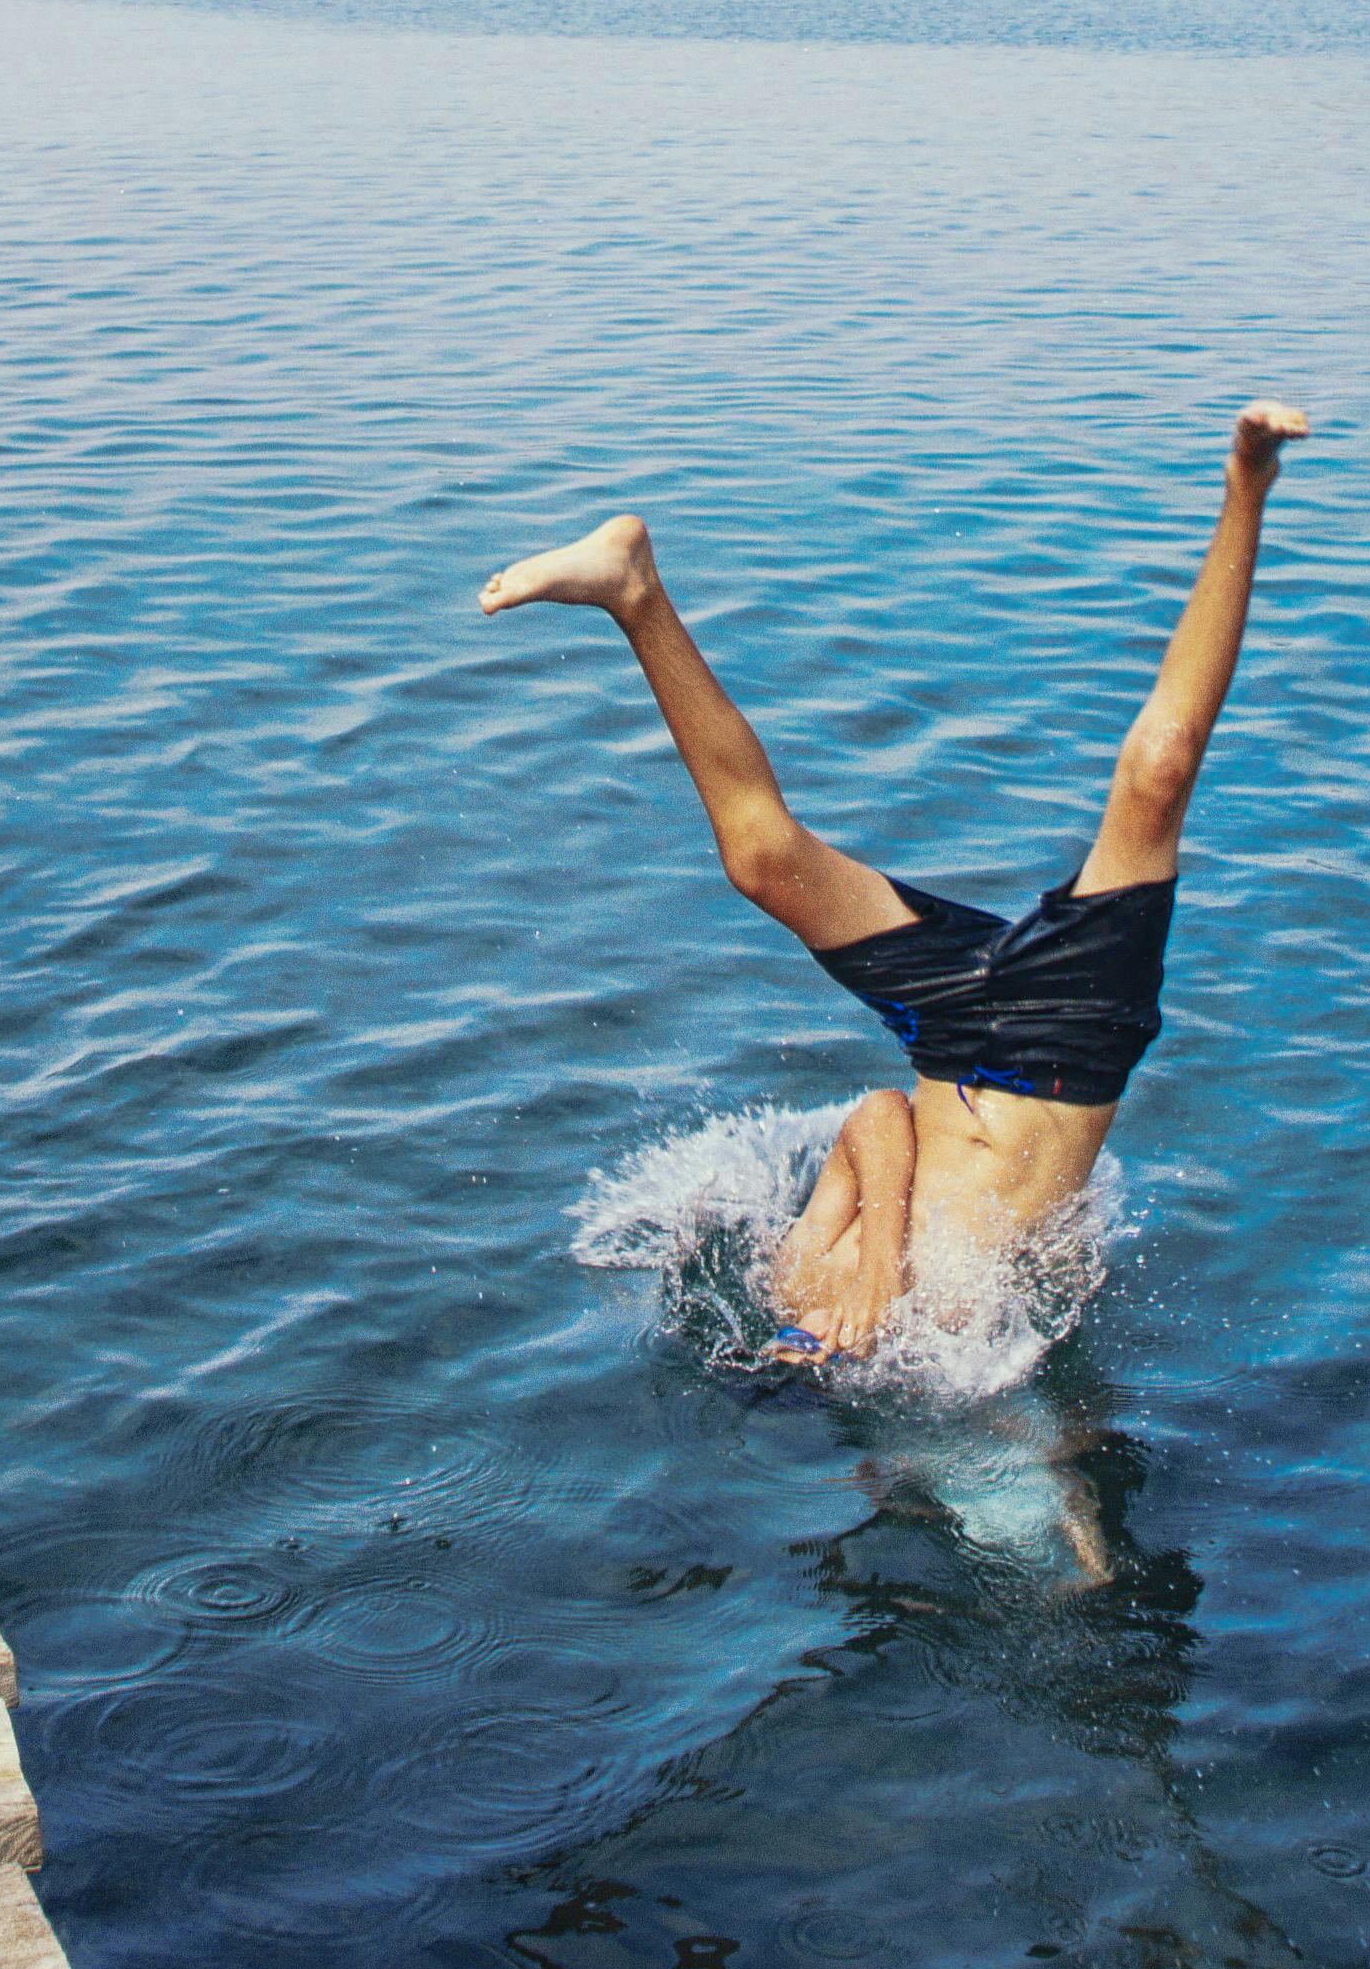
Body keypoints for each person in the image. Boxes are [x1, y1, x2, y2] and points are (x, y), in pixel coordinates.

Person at [481, 400, 1309, 1361]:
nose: (811, 1345)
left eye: (794, 1347)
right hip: (1076, 1048)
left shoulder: (801, 1277)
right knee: (1158, 774)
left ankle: (635, 591)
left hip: (951, 1042)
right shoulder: (940, 1353)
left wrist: (876, 1271)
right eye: (811, 1354)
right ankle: (1247, 484)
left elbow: (874, 1118)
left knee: (760, 862)